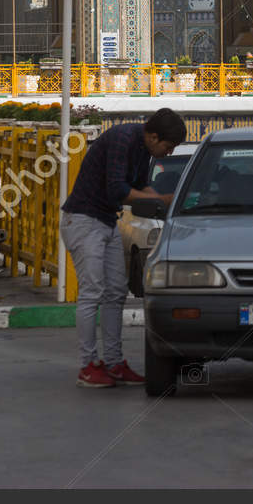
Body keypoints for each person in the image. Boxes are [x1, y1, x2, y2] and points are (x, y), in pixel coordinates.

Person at [61, 108, 186, 389]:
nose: (168, 153)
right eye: (168, 147)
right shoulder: (122, 138)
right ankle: (88, 365)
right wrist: (163, 200)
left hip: (105, 221)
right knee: (92, 293)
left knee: (116, 291)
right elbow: (119, 190)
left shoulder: (144, 149)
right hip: (83, 220)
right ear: (153, 136)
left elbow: (143, 187)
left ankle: (114, 363)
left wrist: (170, 203)